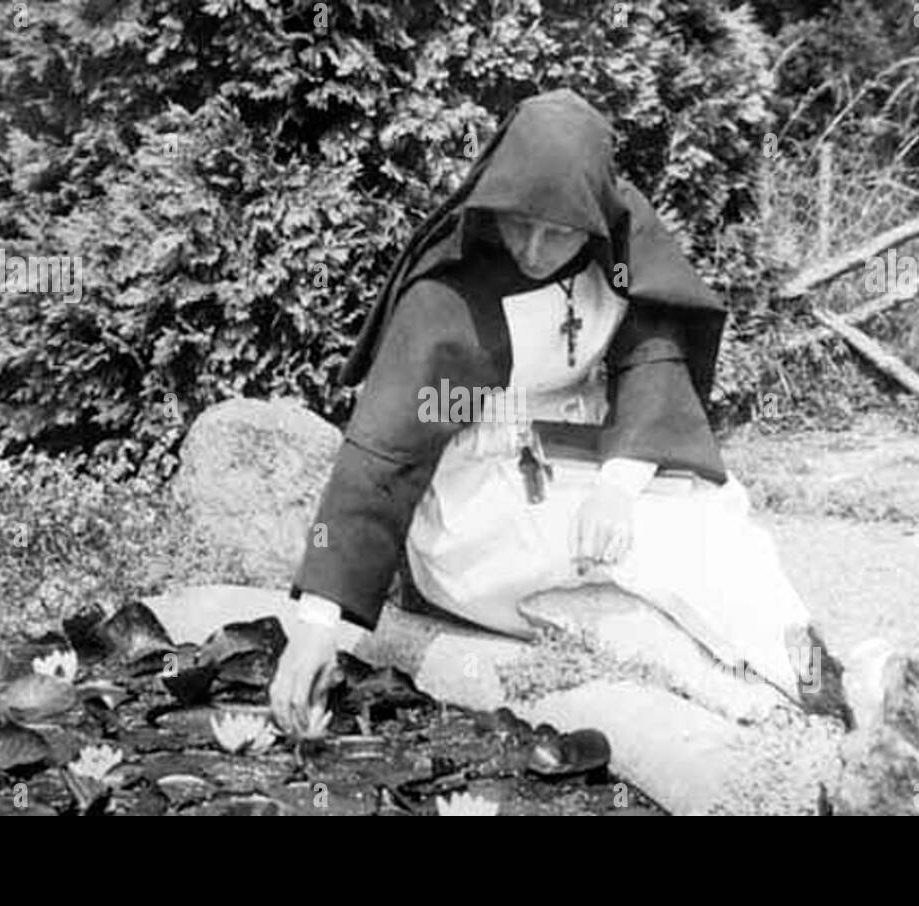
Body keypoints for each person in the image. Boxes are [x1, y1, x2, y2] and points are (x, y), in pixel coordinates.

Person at [270, 89, 847, 734]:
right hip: (476, 506)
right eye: (521, 223)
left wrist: (621, 482)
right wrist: (318, 623)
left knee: (714, 525)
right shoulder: (449, 296)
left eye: (561, 232)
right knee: (633, 575)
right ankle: (759, 702)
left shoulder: (618, 241)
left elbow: (653, 359)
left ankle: (816, 680)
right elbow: (380, 455)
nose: (537, 249)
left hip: (585, 458)